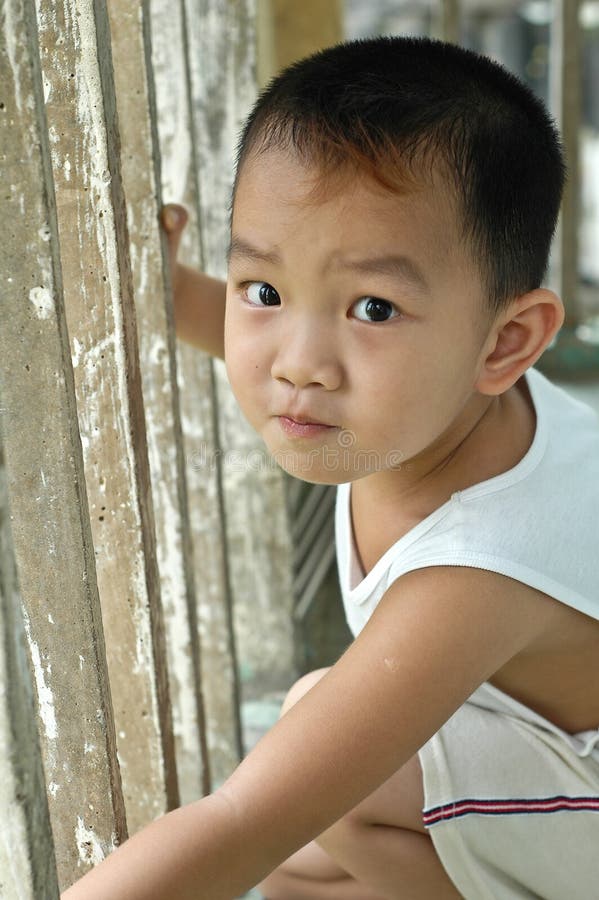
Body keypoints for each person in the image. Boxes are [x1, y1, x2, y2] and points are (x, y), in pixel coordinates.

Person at [63, 35, 599, 900]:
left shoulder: (480, 567)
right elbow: (272, 333)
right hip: (544, 768)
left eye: (372, 308)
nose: (298, 365)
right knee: (305, 869)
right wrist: (169, 292)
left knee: (328, 778)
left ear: (505, 342)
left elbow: (243, 817)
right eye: (265, 292)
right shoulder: (439, 395)